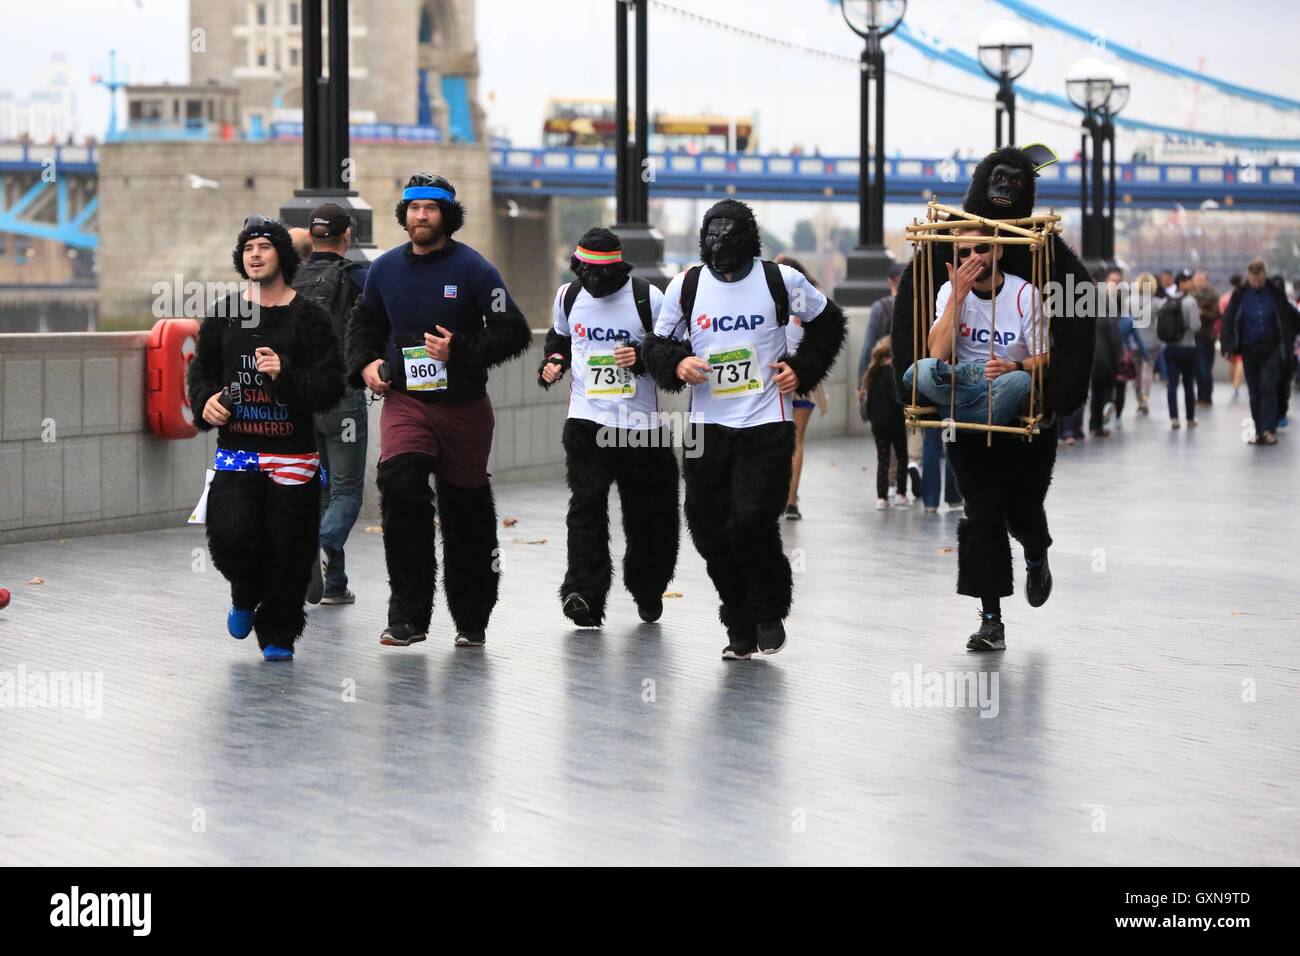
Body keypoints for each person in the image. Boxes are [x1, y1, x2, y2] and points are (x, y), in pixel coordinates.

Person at [890, 144, 1096, 653]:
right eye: (996, 180)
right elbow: (914, 334)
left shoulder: (1040, 272)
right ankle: (990, 617)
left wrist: (1051, 389)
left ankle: (1035, 551)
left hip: (1022, 406)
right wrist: (916, 379)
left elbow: (1074, 323)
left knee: (1022, 507)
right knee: (981, 513)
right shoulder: (945, 260)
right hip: (966, 413)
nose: (1003, 189)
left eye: (1013, 181)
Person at [643, 199, 846, 660]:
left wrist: (802, 370)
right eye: (711, 238)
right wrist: (679, 363)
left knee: (751, 521)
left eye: (728, 238)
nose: (719, 248)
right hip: (706, 427)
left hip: (765, 423)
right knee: (708, 529)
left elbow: (829, 323)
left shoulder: (781, 281)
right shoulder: (686, 286)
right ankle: (737, 618)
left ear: (749, 240)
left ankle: (769, 607)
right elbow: (657, 345)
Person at [344, 173, 531, 648]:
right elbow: (364, 321)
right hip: (407, 403)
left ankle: (472, 617)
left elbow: (513, 330)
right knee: (400, 487)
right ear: (403, 215)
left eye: (430, 208)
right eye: (413, 208)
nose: (420, 216)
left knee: (465, 510)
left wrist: (460, 350)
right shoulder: (385, 270)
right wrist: (365, 363)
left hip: (464, 408)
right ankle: (407, 616)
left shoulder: (474, 269)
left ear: (447, 214)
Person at [186, 215, 346, 661]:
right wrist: (205, 403)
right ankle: (243, 594)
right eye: (248, 248)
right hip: (238, 450)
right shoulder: (224, 315)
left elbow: (331, 385)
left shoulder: (309, 318)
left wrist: (286, 376)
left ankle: (278, 633)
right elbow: (200, 372)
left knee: (289, 550)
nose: (254, 254)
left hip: (293, 453)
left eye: (264, 247)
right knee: (233, 536)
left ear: (283, 256)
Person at [537, 228, 679, 628]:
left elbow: (674, 355)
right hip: (586, 421)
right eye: (586, 274)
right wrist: (553, 362)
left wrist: (640, 358)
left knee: (649, 514)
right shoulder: (568, 296)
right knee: (585, 508)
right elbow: (560, 340)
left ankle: (648, 588)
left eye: (603, 276)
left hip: (640, 426)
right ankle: (583, 593)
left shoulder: (648, 299)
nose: (594, 284)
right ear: (577, 269)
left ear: (620, 270)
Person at [291, 203, 369, 606]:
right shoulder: (359, 278)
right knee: (347, 490)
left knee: (319, 491)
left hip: (301, 400)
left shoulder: (292, 279)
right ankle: (317, 545)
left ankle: (333, 583)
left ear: (311, 234)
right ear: (347, 236)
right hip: (342, 396)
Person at [900, 225, 1046, 427]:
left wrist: (1014, 366)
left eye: (982, 249)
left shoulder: (1025, 294)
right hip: (962, 377)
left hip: (1001, 379)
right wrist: (957, 298)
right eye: (965, 252)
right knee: (921, 371)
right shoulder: (948, 290)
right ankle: (977, 411)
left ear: (998, 250)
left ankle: (951, 410)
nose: (974, 257)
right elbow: (936, 354)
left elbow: (1044, 358)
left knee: (1020, 382)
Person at [775, 254, 830, 520]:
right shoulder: (810, 301)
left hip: (779, 379)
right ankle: (792, 500)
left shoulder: (774, 301)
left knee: (776, 440)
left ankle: (778, 494)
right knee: (797, 440)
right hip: (806, 380)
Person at [1220, 260, 1299, 445]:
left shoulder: (1275, 294)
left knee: (1268, 387)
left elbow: (1290, 315)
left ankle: (1269, 430)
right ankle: (1258, 430)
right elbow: (1228, 320)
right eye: (1253, 280)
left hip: (1271, 348)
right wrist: (1227, 346)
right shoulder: (1240, 296)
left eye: (1259, 280)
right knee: (1255, 391)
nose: (1256, 283)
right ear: (1249, 277)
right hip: (1249, 349)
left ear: (1264, 276)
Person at [863, 337, 908, 510]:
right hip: (895, 423)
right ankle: (901, 494)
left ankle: (881, 498)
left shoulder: (872, 373)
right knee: (901, 457)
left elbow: (869, 402)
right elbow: (896, 398)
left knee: (882, 460)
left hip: (878, 424)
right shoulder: (893, 373)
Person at [1159, 269, 1201, 429]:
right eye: (1189, 280)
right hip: (1188, 347)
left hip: (1170, 348)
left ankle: (1174, 418)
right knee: (1189, 384)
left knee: (1172, 384)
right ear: (1182, 283)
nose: (1191, 282)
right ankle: (1190, 418)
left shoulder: (1165, 300)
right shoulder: (1190, 301)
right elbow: (1195, 326)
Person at [1089, 271, 1123, 437]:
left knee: (1095, 393)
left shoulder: (1087, 317)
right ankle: (1099, 426)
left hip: (1091, 361)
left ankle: (1092, 424)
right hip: (1105, 362)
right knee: (1104, 393)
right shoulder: (1107, 318)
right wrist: (1117, 363)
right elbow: (1116, 343)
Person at [1192, 270, 1221, 406]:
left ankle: (1206, 396)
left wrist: (1201, 312)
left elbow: (1215, 315)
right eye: (1196, 280)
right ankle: (1200, 395)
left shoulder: (1211, 295)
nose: (1198, 283)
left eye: (1200, 280)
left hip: (1206, 335)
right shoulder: (1192, 294)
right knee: (1197, 368)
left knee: (1205, 367)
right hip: (1195, 335)